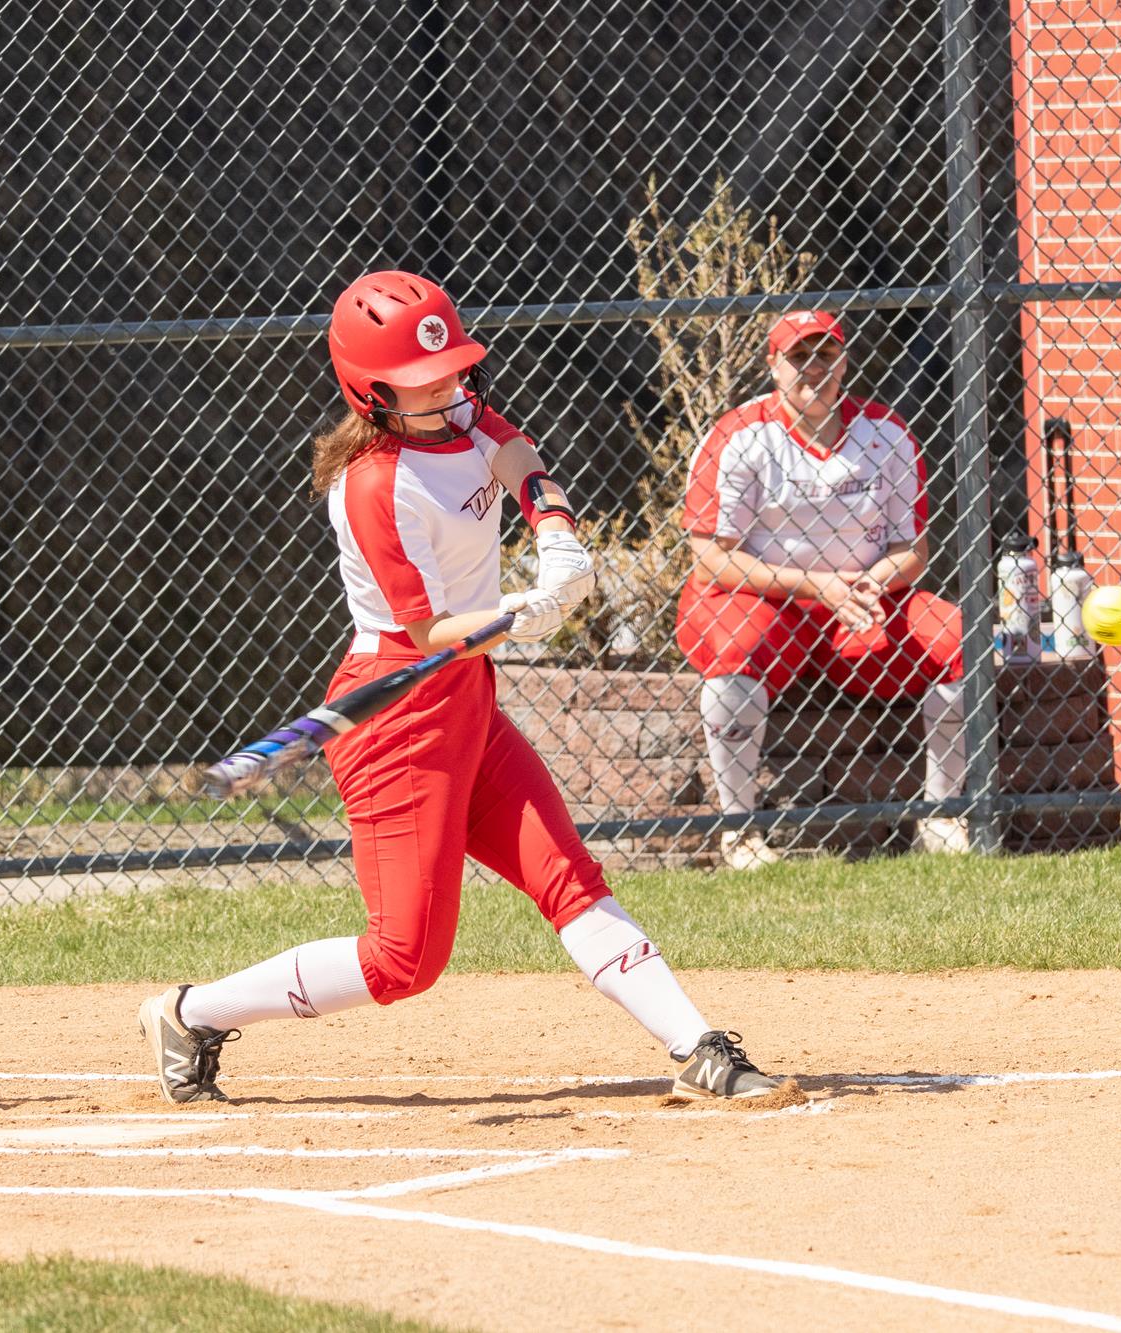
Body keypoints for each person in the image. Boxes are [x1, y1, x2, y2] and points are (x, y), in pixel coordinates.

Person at [140, 271, 787, 1104]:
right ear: (370, 393)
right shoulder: (374, 486)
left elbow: (517, 454)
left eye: (451, 372)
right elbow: (424, 634)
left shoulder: (460, 415)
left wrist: (555, 533)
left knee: (570, 876)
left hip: (468, 697)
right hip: (399, 710)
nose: (447, 390)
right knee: (404, 958)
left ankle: (698, 1047)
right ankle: (192, 1013)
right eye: (419, 382)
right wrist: (522, 610)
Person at [678, 309, 960, 869]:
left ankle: (943, 813)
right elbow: (710, 557)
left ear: (845, 362)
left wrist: (866, 585)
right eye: (798, 357)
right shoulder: (740, 435)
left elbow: (913, 552)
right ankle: (739, 831)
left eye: (826, 355)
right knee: (734, 658)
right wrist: (813, 585)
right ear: (772, 367)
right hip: (761, 601)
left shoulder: (886, 433)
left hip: (860, 605)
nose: (813, 369)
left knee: (958, 641)